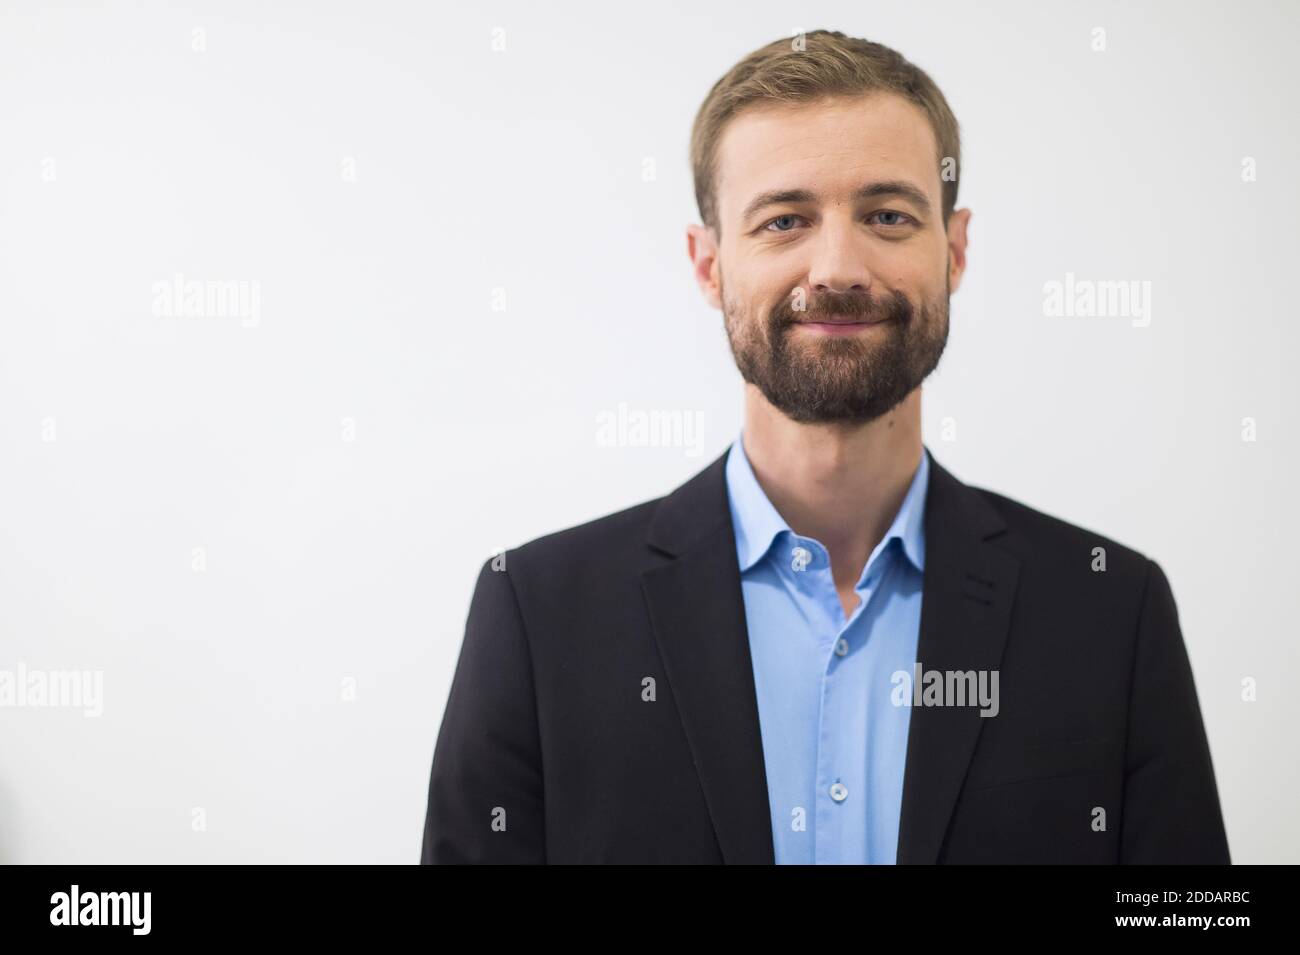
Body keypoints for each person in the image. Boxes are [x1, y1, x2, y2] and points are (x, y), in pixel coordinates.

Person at [420, 29, 1230, 864]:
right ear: (709, 266)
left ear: (953, 250)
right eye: (784, 220)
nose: (838, 266)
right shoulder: (538, 614)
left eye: (886, 215)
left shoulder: (1110, 611)